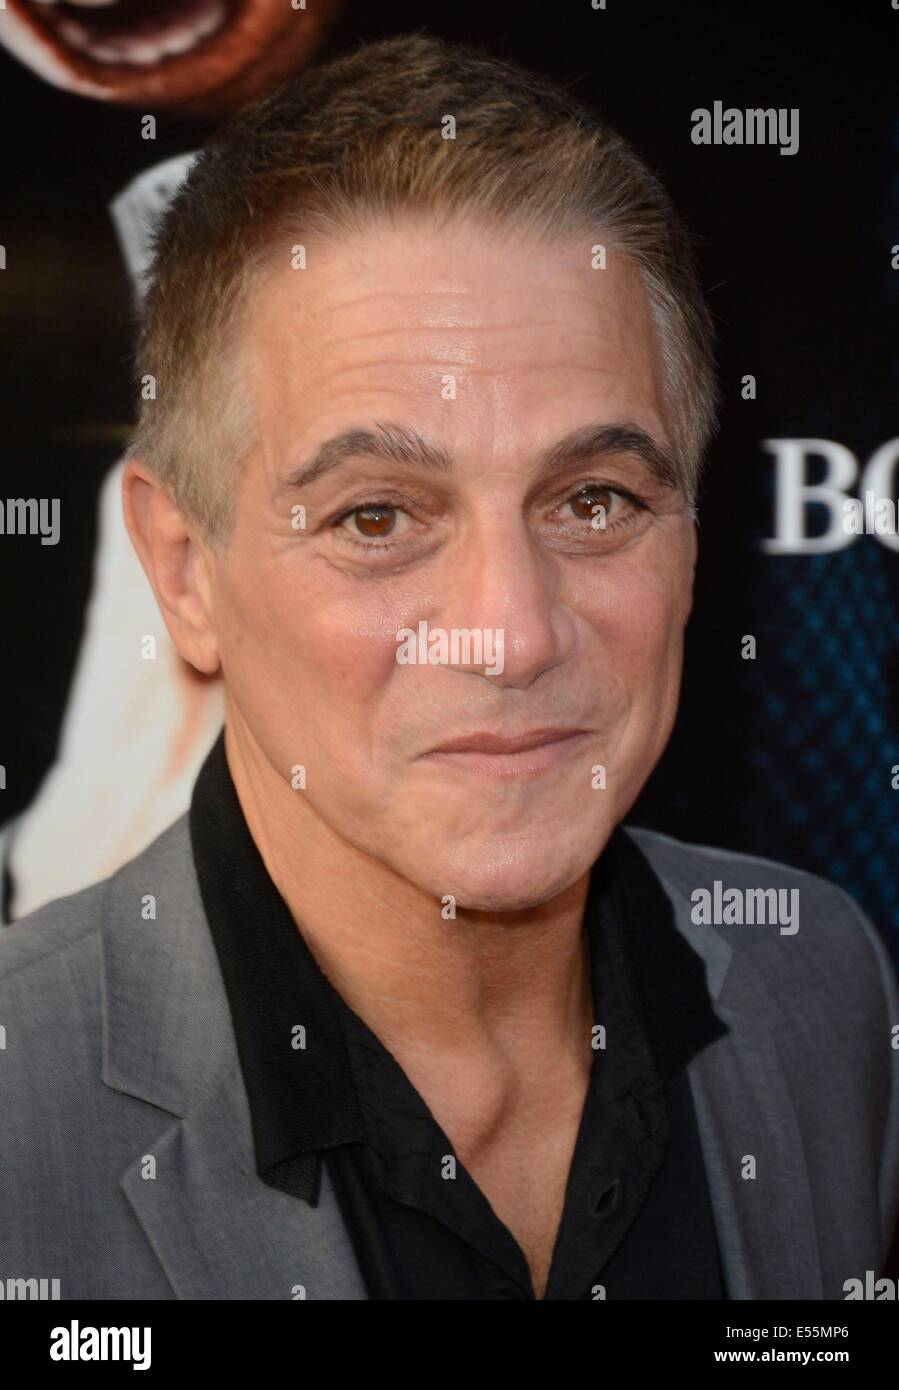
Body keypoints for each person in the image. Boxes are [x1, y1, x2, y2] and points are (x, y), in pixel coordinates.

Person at [1, 30, 897, 1302]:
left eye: (592, 499)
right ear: (184, 570)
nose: (511, 633)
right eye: (376, 517)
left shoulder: (822, 982)